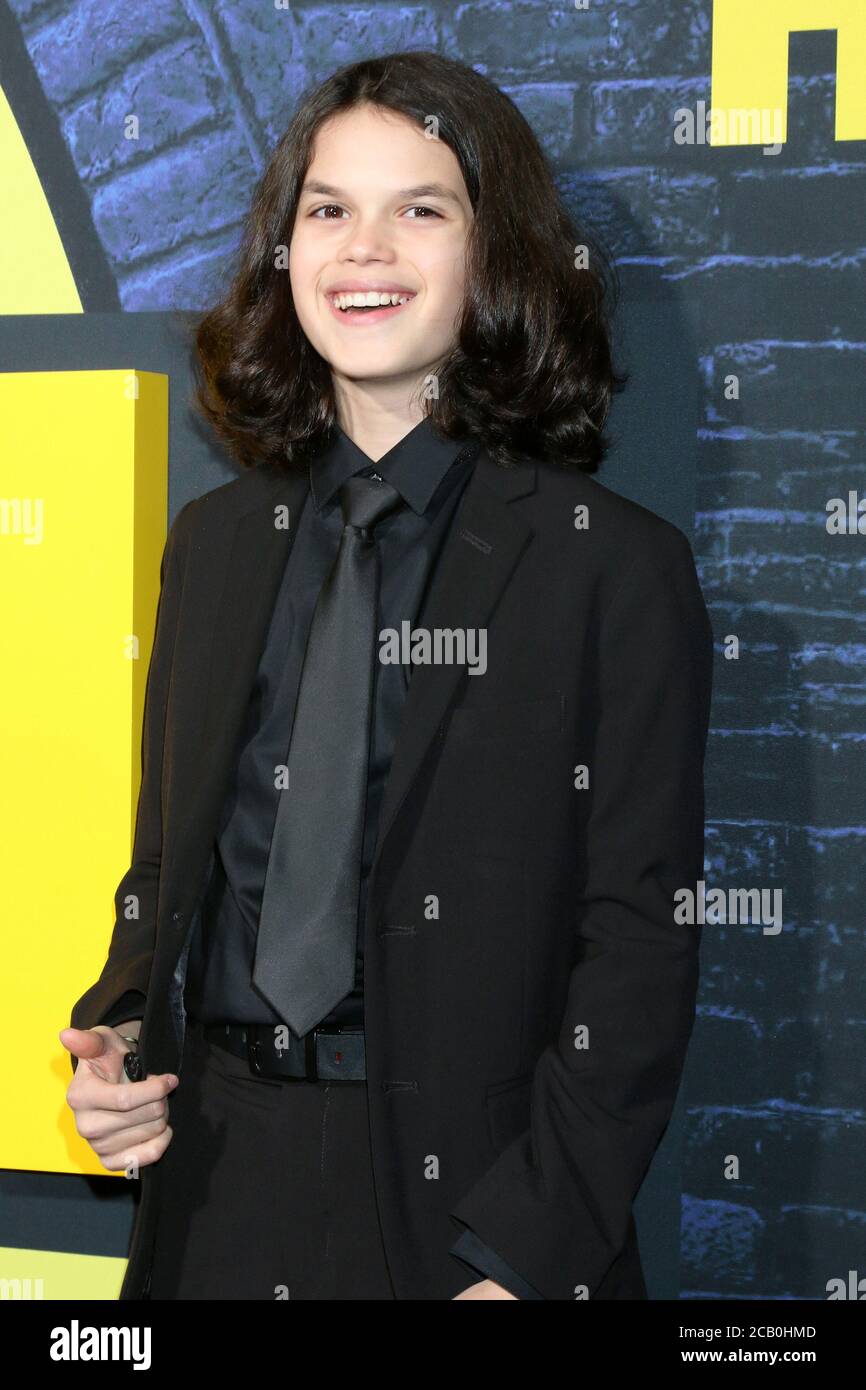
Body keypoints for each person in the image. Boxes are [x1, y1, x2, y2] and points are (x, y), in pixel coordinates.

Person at [61, 50, 714, 1301]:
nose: (364, 249)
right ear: (283, 252)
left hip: (466, 1219)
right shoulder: (212, 546)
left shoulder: (606, 570)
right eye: (327, 210)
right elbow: (168, 875)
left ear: (495, 257)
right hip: (212, 1198)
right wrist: (123, 1042)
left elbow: (636, 949)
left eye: (419, 208)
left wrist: (521, 1256)